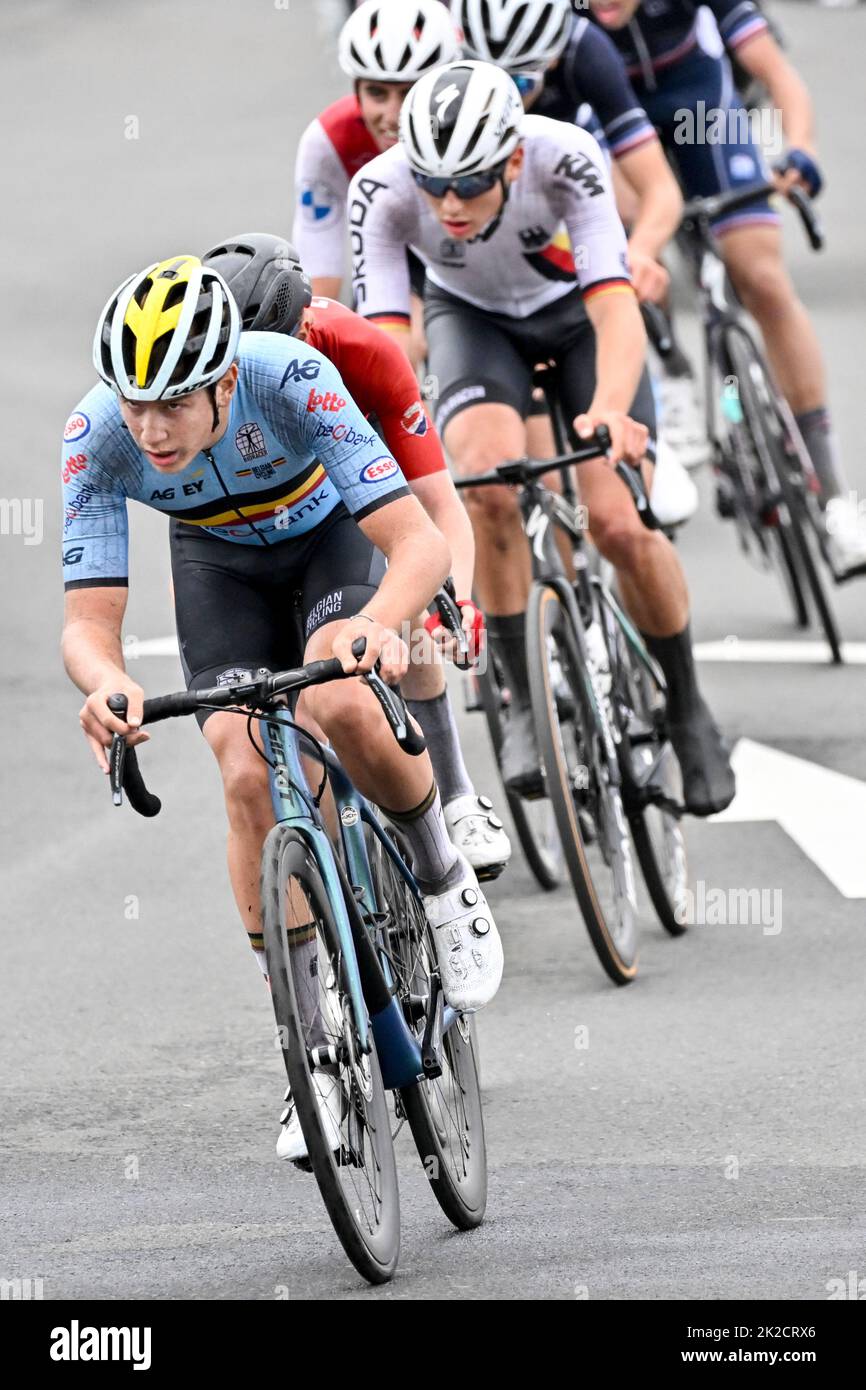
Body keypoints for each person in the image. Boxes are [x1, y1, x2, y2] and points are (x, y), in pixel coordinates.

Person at [61, 255, 504, 1160]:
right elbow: (87, 625)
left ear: (225, 378)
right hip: (218, 563)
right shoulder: (96, 435)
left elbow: (417, 540)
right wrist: (106, 684)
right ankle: (309, 1047)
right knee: (244, 768)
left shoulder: (292, 375)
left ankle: (440, 873)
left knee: (338, 698)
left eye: (175, 402)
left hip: (329, 538)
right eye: (134, 401)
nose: (149, 428)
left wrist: (381, 623)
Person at [349, 60, 735, 815]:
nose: (449, 203)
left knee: (620, 522)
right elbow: (385, 348)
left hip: (576, 314)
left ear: (513, 159)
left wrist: (615, 411)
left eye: (470, 183)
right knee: (487, 487)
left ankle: (688, 709)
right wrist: (394, 456)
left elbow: (615, 305)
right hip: (475, 323)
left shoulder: (564, 157)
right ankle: (525, 699)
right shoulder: (385, 190)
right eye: (435, 184)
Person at [201, 232, 512, 877]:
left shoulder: (363, 353)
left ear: (306, 326)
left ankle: (452, 794)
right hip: (258, 529)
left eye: (273, 350)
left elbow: (438, 505)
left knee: (419, 605)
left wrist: (460, 597)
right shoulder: (211, 390)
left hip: (353, 493)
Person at [580, 0, 866, 579]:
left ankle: (835, 496)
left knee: (760, 277)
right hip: (615, 116)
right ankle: (673, 369)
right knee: (631, 228)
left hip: (703, 109)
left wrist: (802, 149)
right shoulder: (575, 25)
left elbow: (777, 76)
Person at [452, 0, 698, 514]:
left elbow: (660, 190)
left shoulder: (584, 48)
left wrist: (641, 253)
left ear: (552, 57)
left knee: (622, 213)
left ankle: (662, 379)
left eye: (522, 84)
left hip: (571, 183)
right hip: (493, 233)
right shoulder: (448, 70)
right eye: (493, 78)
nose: (508, 100)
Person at [292, 0, 461, 366]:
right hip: (388, 248)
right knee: (375, 360)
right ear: (355, 90)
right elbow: (318, 265)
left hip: (473, 258)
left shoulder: (473, 129)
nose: (393, 115)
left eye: (409, 92)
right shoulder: (328, 140)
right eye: (377, 93)